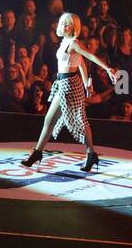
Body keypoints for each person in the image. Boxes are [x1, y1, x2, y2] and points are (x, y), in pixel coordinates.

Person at [21, 13, 117, 172]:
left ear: (74, 27)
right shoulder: (65, 42)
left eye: (68, 24)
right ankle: (89, 153)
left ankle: (38, 153)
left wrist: (108, 69)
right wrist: (86, 83)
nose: (64, 26)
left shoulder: (74, 43)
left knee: (65, 119)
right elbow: (80, 63)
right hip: (64, 82)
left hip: (70, 84)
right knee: (57, 119)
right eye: (63, 23)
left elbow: (89, 56)